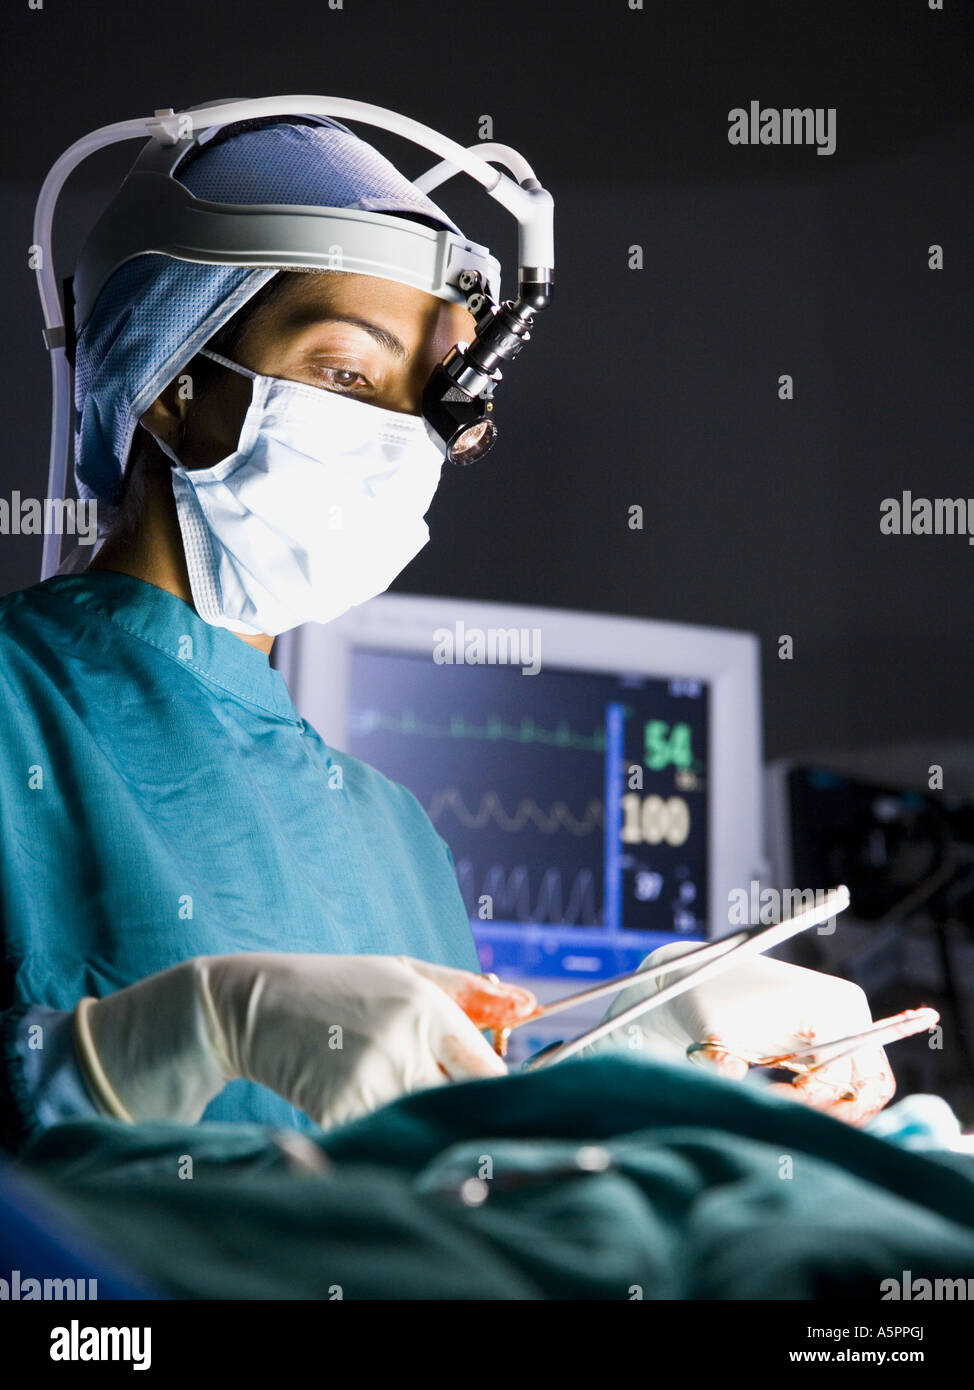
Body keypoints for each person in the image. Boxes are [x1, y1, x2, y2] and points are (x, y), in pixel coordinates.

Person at [0, 109, 894, 1151]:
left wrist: (648, 1056)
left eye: (427, 404)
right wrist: (184, 1034)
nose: (391, 443)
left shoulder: (393, 837)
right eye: (344, 373)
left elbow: (442, 1169)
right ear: (166, 383)